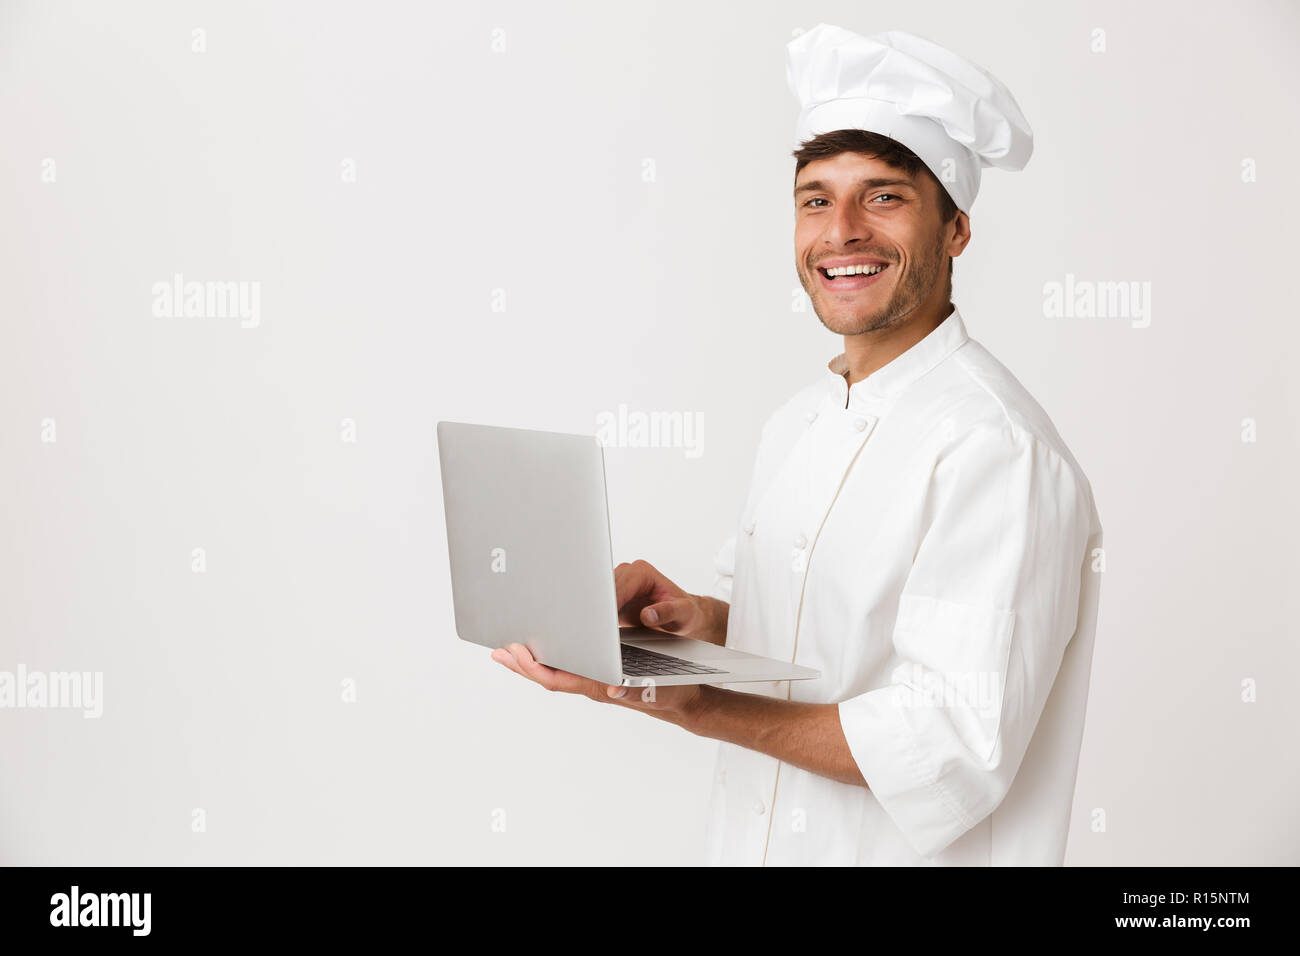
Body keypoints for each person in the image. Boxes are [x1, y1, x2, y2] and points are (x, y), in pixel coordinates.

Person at [492, 23, 1103, 866]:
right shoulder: (797, 422)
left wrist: (700, 706)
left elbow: (952, 745)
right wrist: (681, 626)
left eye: (883, 196)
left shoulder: (997, 450)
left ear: (956, 230)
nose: (841, 230)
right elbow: (812, 645)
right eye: (816, 198)